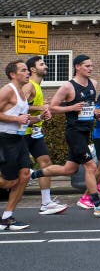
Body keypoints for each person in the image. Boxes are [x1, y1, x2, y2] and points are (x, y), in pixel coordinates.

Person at [29, 55, 100, 217]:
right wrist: (71, 108)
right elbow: (53, 108)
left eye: (91, 66)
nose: (90, 68)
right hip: (74, 133)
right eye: (87, 66)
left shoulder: (93, 84)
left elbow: (89, 108)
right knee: (91, 167)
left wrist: (96, 114)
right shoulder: (67, 87)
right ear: (77, 66)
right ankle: (97, 205)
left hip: (85, 132)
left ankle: (32, 174)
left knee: (69, 169)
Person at [22, 56, 67, 215]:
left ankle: (46, 202)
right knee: (14, 173)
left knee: (45, 163)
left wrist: (44, 109)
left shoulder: (38, 87)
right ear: (33, 69)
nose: (45, 66)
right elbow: (19, 107)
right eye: (41, 64)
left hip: (35, 133)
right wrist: (42, 107)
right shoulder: (29, 86)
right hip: (23, 133)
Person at [0, 61, 40, 230]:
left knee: (24, 175)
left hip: (19, 139)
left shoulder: (23, 93)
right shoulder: (7, 90)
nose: (27, 73)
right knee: (9, 182)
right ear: (12, 74)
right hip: (4, 139)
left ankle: (7, 217)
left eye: (27, 70)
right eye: (23, 70)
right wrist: (17, 119)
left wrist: (39, 118)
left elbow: (23, 118)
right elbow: (15, 117)